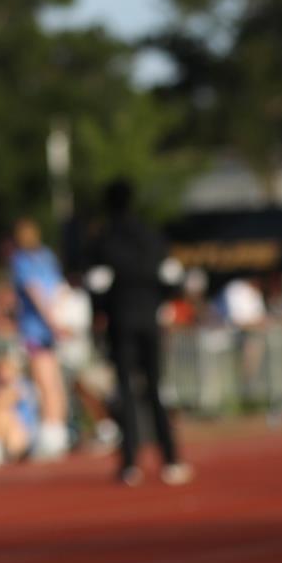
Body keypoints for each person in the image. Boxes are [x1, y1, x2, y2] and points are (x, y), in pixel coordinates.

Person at [86, 180, 191, 487]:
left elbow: (96, 287)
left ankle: (130, 463)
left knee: (127, 391)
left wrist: (100, 315)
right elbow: (172, 278)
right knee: (156, 388)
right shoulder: (151, 236)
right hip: (150, 319)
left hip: (120, 321)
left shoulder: (103, 239)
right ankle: (171, 459)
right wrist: (159, 302)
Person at [7, 219, 71, 459]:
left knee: (46, 384)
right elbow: (58, 288)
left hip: (37, 329)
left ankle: (52, 435)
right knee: (53, 383)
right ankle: (56, 432)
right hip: (49, 326)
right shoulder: (45, 256)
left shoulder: (23, 260)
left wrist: (52, 321)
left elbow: (35, 291)